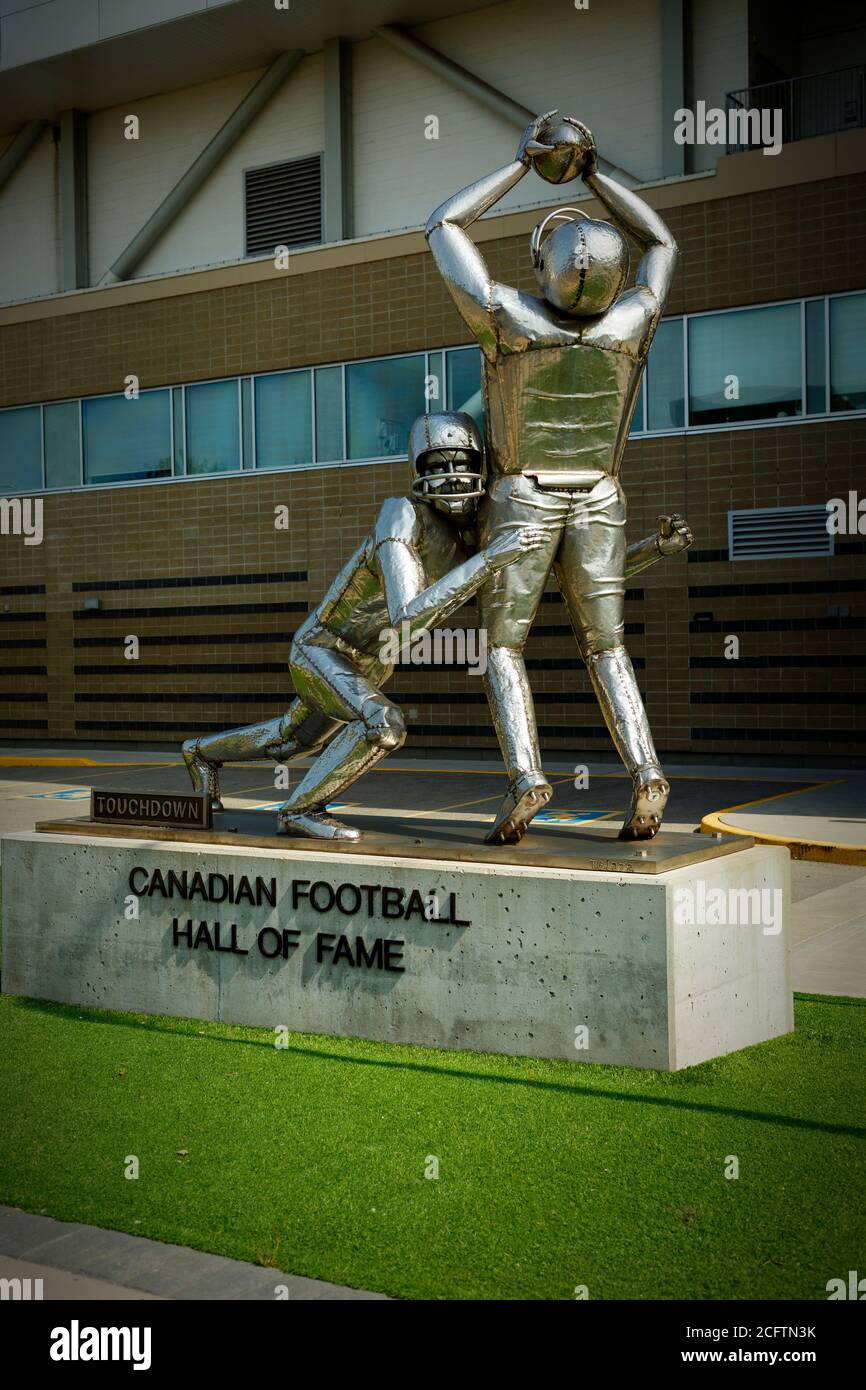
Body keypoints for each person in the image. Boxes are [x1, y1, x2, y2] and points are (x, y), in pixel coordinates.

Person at [426, 111, 681, 843]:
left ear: (544, 266)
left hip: (524, 494)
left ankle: (527, 777)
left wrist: (520, 165)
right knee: (607, 647)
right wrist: (592, 171)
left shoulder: (508, 319)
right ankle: (645, 771)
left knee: (506, 646)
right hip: (600, 492)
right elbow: (661, 241)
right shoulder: (632, 324)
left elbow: (443, 227)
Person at [182, 412, 545, 840]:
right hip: (323, 648)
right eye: (437, 466)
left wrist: (646, 549)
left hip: (368, 663)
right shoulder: (402, 513)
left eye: (460, 462)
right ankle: (299, 809)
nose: (450, 477)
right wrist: (489, 561)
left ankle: (200, 754)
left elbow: (565, 579)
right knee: (384, 724)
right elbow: (407, 616)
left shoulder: (472, 540)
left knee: (288, 741)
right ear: (417, 471)